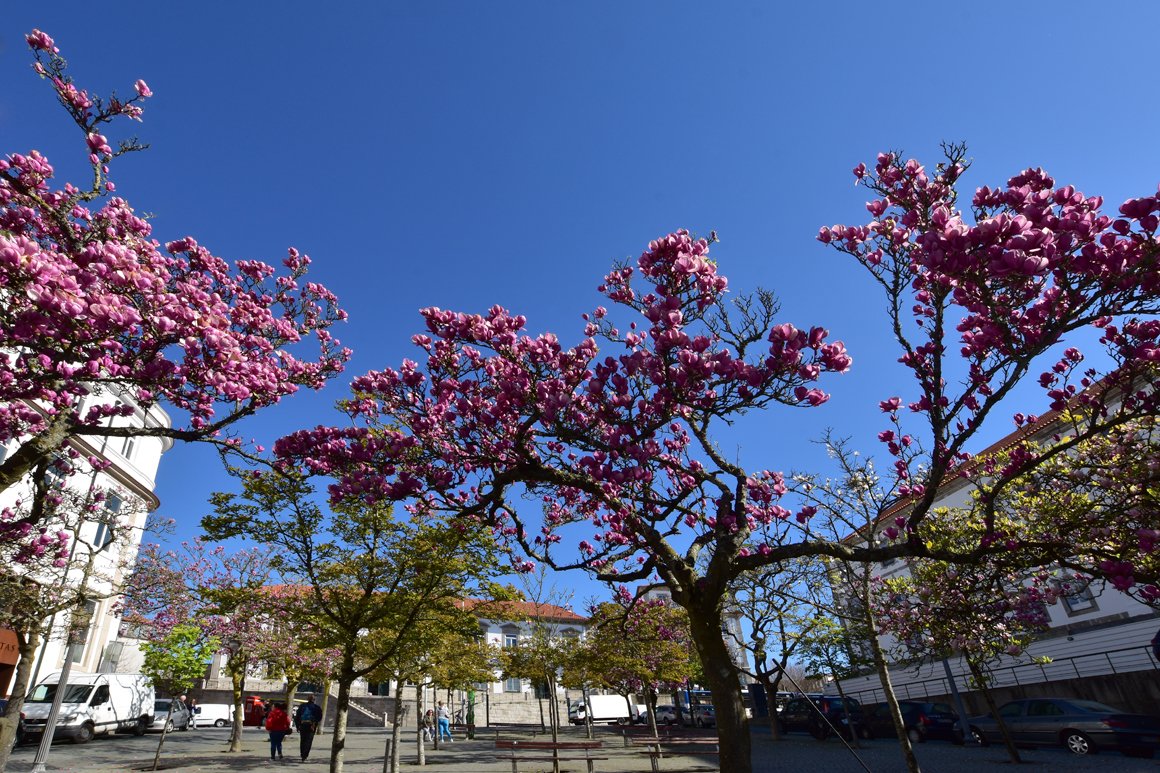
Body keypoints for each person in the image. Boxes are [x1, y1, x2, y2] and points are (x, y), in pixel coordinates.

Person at [294, 693, 323, 762]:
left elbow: (297, 717)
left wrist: (298, 726)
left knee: (303, 740)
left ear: (307, 699)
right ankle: (305, 755)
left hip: (303, 724)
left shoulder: (302, 706)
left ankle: (302, 754)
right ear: (314, 700)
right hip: (311, 725)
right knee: (308, 741)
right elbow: (319, 717)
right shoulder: (317, 707)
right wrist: (315, 723)